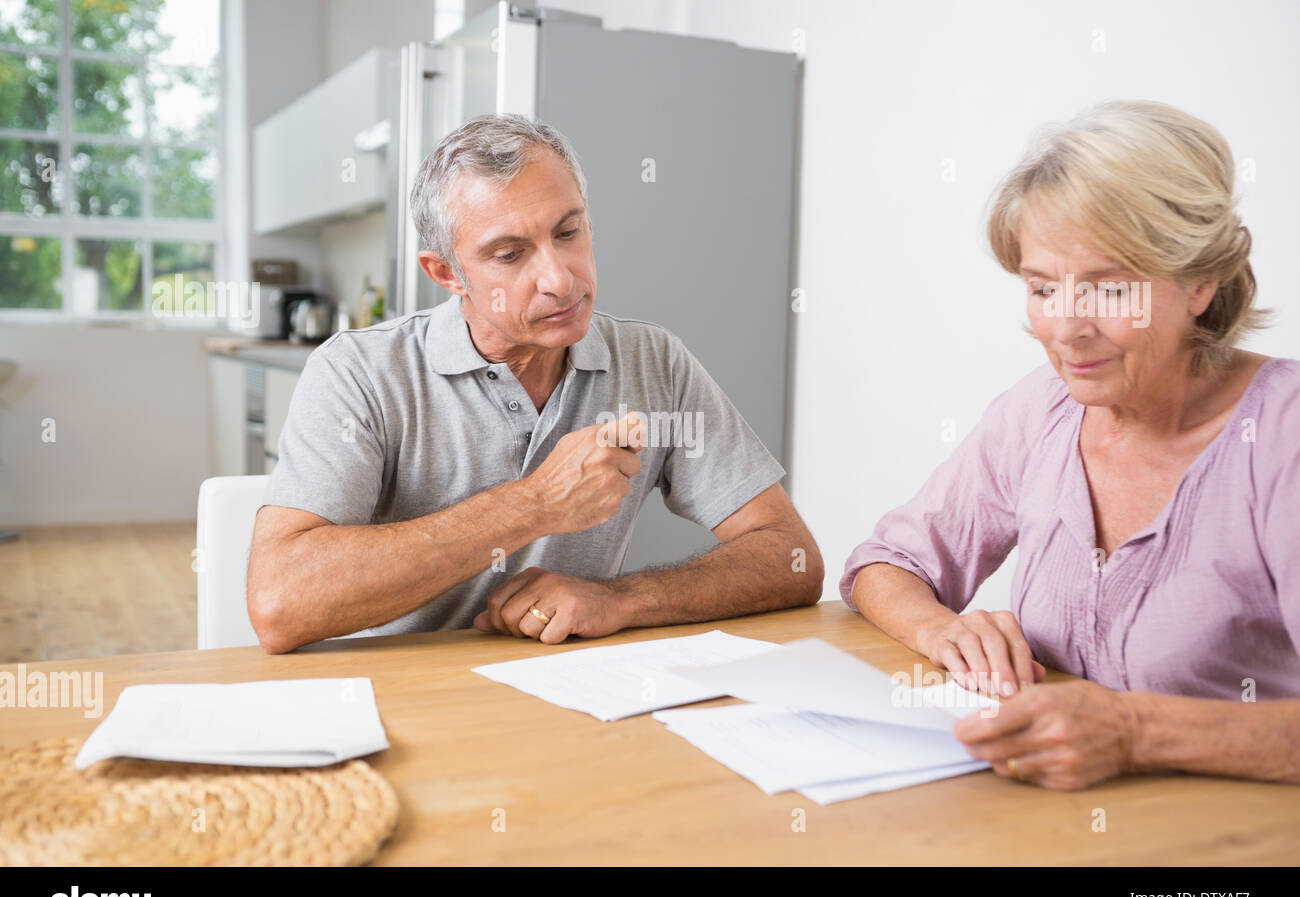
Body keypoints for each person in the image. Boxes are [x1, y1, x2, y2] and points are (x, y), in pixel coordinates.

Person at [841, 100, 1299, 790]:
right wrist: (942, 630)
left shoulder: (1281, 437)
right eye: (1042, 288)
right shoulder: (1042, 409)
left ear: (1201, 281)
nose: (1066, 329)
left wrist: (1133, 732)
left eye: (1109, 289)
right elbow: (886, 563)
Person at [248, 114, 821, 653]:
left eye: (569, 232)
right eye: (510, 253)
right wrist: (538, 503)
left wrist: (623, 598)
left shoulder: (654, 361)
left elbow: (791, 556)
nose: (559, 279)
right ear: (447, 273)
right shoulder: (359, 372)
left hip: (570, 699)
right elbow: (279, 604)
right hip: (404, 702)